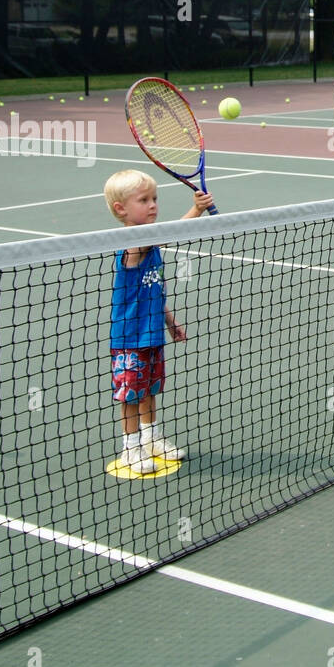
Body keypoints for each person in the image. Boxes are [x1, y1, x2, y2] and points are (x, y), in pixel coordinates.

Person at [103, 170, 214, 474]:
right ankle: (131, 448)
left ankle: (151, 438)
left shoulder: (151, 246)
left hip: (152, 334)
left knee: (150, 390)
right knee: (130, 395)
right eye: (143, 200)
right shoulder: (133, 243)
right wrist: (197, 209)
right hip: (129, 338)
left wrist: (169, 320)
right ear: (121, 210)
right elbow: (167, 233)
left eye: (154, 199)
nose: (152, 205)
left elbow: (154, 289)